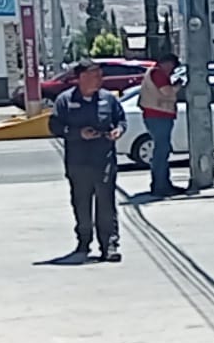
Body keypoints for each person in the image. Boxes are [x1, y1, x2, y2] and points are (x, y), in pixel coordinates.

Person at [48, 58, 127, 263]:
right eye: (94, 76)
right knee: (81, 204)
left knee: (106, 204)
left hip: (104, 160)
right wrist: (78, 133)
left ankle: (109, 245)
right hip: (78, 162)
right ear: (81, 77)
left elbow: (120, 119)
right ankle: (83, 242)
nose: (99, 79)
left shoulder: (108, 99)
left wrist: (119, 130)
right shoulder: (65, 100)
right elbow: (55, 127)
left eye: (100, 75)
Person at [138, 52, 183, 197]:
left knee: (161, 151)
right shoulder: (158, 74)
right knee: (161, 152)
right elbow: (168, 93)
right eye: (172, 67)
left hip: (155, 116)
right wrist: (178, 86)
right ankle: (160, 185)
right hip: (158, 116)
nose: (172, 71)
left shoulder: (152, 73)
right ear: (168, 63)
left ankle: (162, 183)